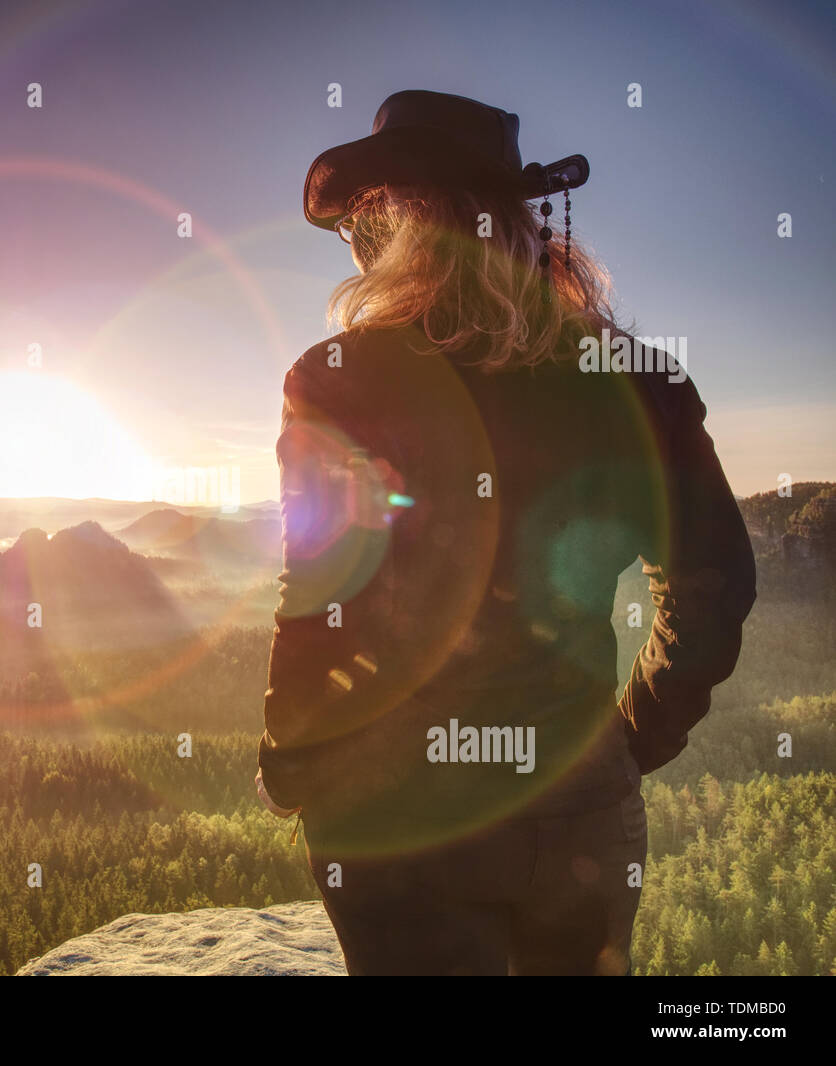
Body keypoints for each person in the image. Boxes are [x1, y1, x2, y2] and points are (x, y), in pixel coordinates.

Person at [254, 90, 756, 976]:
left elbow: (324, 599)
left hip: (392, 814)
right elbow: (715, 585)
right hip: (578, 806)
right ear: (527, 226)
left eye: (370, 225)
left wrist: (293, 761)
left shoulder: (339, 380)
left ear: (400, 224)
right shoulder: (638, 380)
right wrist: (633, 736)